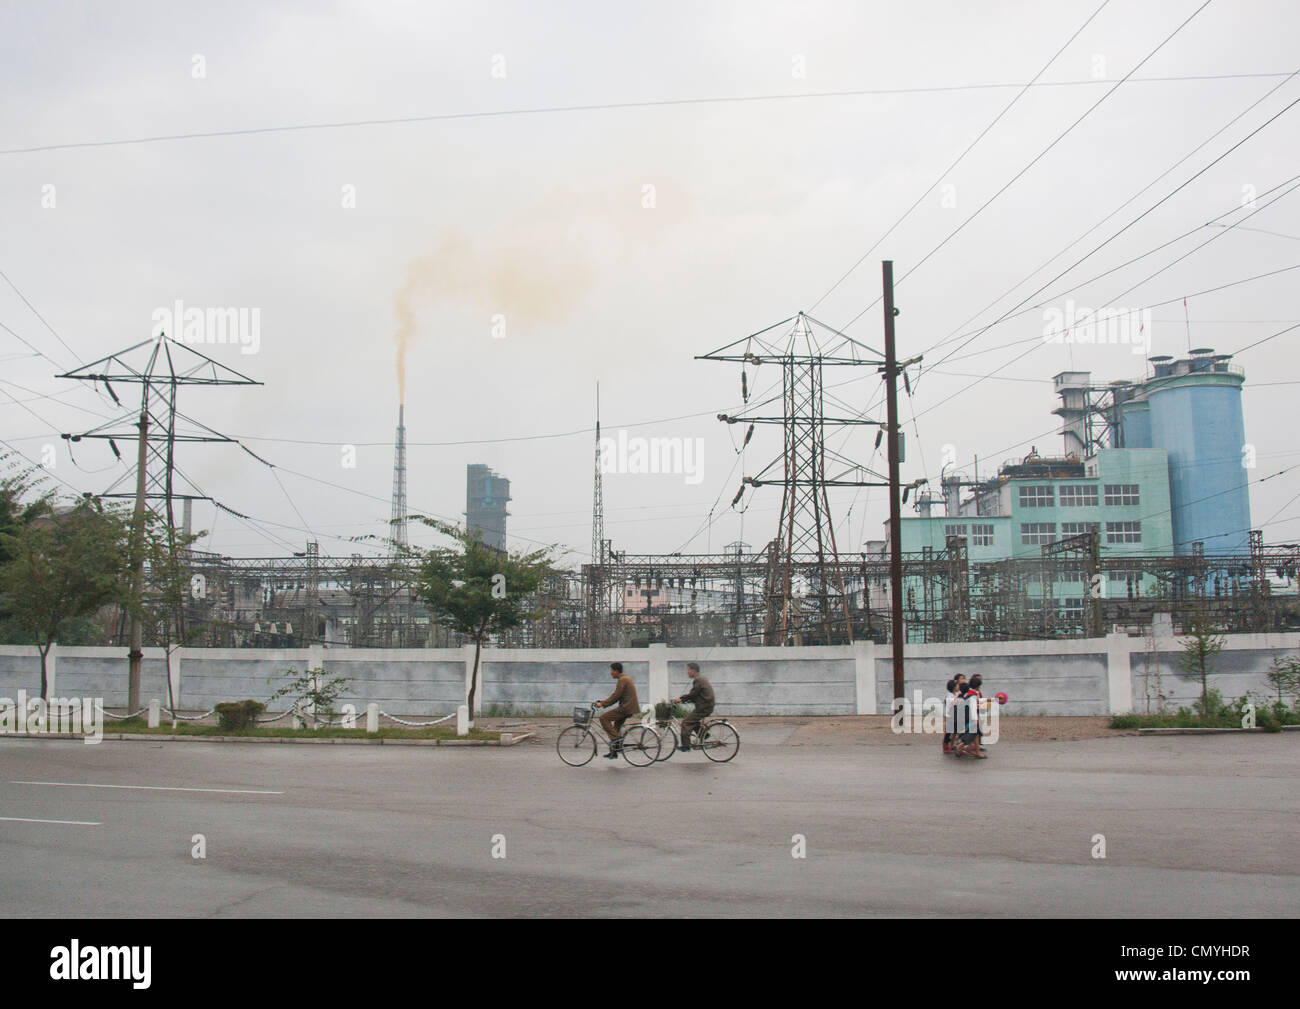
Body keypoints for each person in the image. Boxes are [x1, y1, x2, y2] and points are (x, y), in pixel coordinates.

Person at [594, 662, 639, 759]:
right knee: (615, 728)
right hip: (628, 707)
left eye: (611, 670)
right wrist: (603, 702)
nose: (611, 673)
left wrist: (602, 704)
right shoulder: (625, 678)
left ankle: (617, 739)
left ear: (616, 671)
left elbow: (616, 696)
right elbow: (616, 696)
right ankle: (614, 752)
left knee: (603, 718)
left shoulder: (622, 680)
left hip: (626, 708)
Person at [673, 661, 715, 752]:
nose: (687, 672)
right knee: (692, 720)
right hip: (706, 705)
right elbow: (697, 694)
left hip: (704, 707)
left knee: (685, 723)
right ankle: (704, 734)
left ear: (693, 670)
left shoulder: (698, 680)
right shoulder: (702, 678)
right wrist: (686, 700)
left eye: (688, 670)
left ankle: (686, 746)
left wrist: (681, 699)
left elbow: (693, 694)